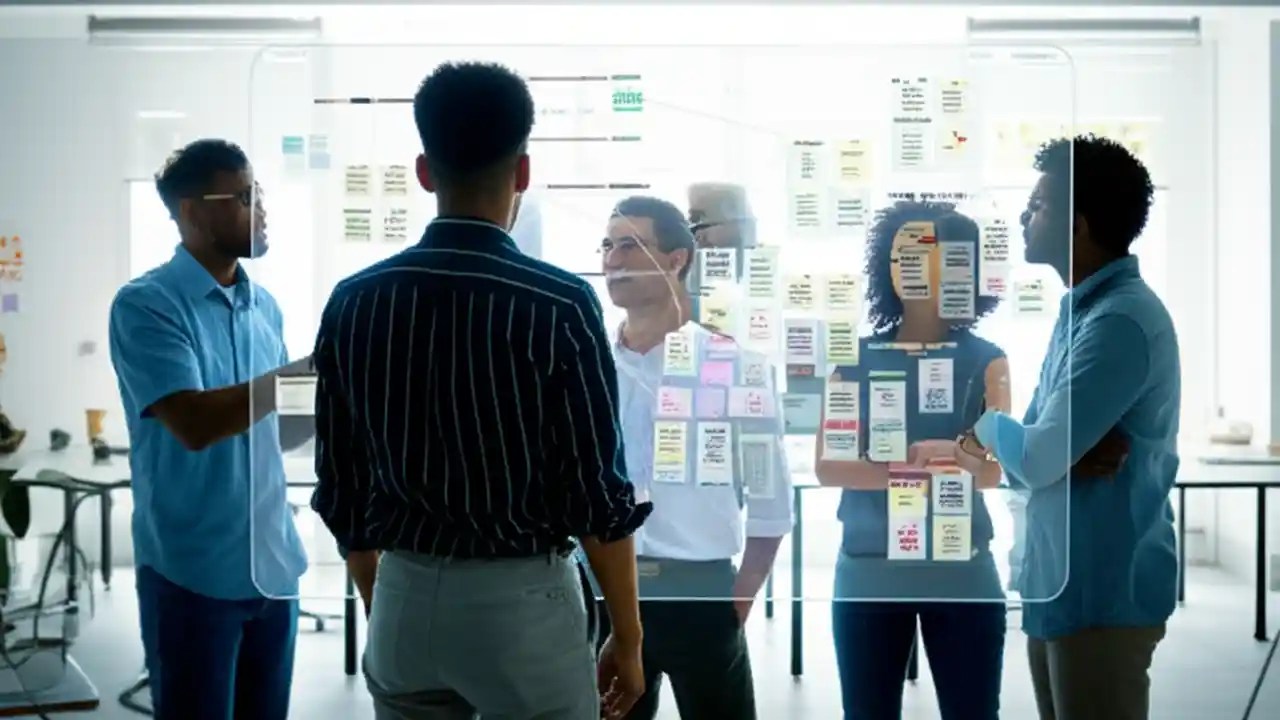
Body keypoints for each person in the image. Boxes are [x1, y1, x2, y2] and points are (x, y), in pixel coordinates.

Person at [309, 61, 652, 720]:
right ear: (522, 172)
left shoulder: (354, 301)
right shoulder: (559, 303)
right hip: (522, 607)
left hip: (403, 589)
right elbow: (595, 495)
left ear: (424, 171)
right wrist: (628, 638)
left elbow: (343, 487)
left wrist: (389, 603)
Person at [965, 134, 1179, 720]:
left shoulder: (1119, 322)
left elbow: (1034, 457)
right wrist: (1052, 451)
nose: (1023, 217)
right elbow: (1039, 449)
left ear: (1078, 226)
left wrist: (986, 424)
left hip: (1101, 596)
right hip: (1061, 584)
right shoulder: (1082, 311)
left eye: (1037, 206)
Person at [108, 138, 313, 720]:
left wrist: (338, 390)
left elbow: (283, 435)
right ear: (192, 211)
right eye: (244, 197)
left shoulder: (265, 307)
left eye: (259, 193)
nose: (261, 208)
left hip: (273, 569)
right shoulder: (146, 305)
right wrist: (310, 369)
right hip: (191, 576)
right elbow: (195, 423)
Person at [594, 195, 793, 719]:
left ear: (677, 258)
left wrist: (736, 605)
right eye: (608, 246)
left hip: (699, 595)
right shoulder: (588, 366)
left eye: (631, 246)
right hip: (603, 590)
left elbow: (772, 503)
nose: (613, 260)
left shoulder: (733, 365)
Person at [815, 200, 1011, 720]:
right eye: (901, 252)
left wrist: (943, 459)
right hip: (869, 568)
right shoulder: (853, 361)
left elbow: (993, 472)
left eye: (926, 251)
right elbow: (828, 467)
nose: (909, 263)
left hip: (963, 568)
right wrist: (932, 463)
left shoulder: (988, 361)